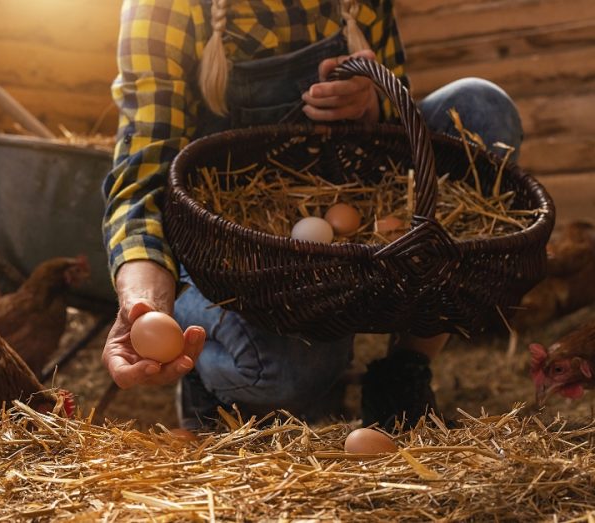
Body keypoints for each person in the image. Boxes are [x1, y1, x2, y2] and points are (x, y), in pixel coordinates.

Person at [101, 0, 524, 430]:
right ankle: (212, 374)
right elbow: (143, 176)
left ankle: (403, 371)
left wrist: (371, 107)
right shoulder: (167, 8)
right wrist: (146, 307)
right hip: (228, 253)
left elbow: (400, 139)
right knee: (285, 373)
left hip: (348, 208)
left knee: (481, 108)